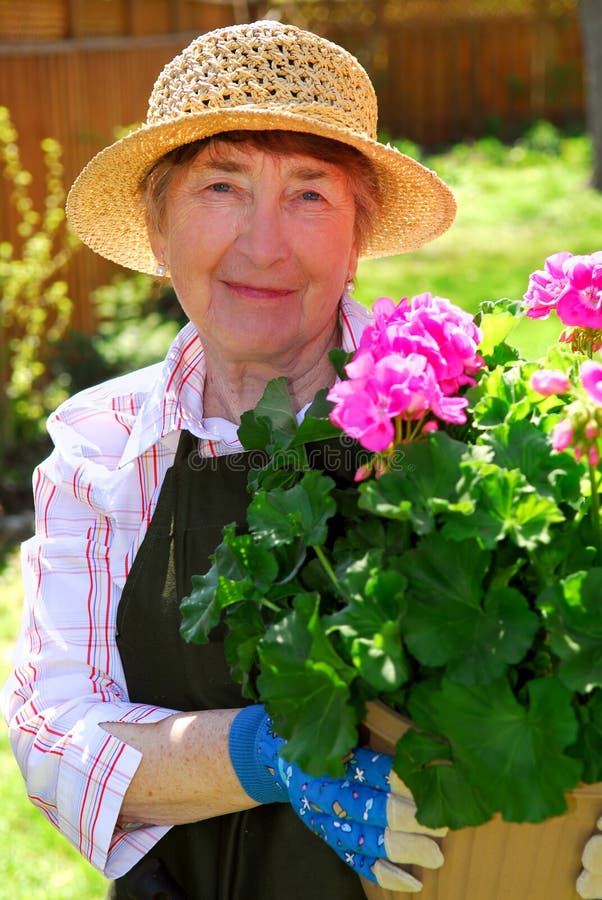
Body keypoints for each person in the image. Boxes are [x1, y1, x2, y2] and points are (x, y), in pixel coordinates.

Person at [0, 20, 461, 899]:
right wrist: (269, 752)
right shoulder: (100, 448)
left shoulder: (447, 427)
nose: (263, 245)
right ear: (156, 221)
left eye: (310, 195)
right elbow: (55, 734)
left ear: (358, 238)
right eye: (222, 185)